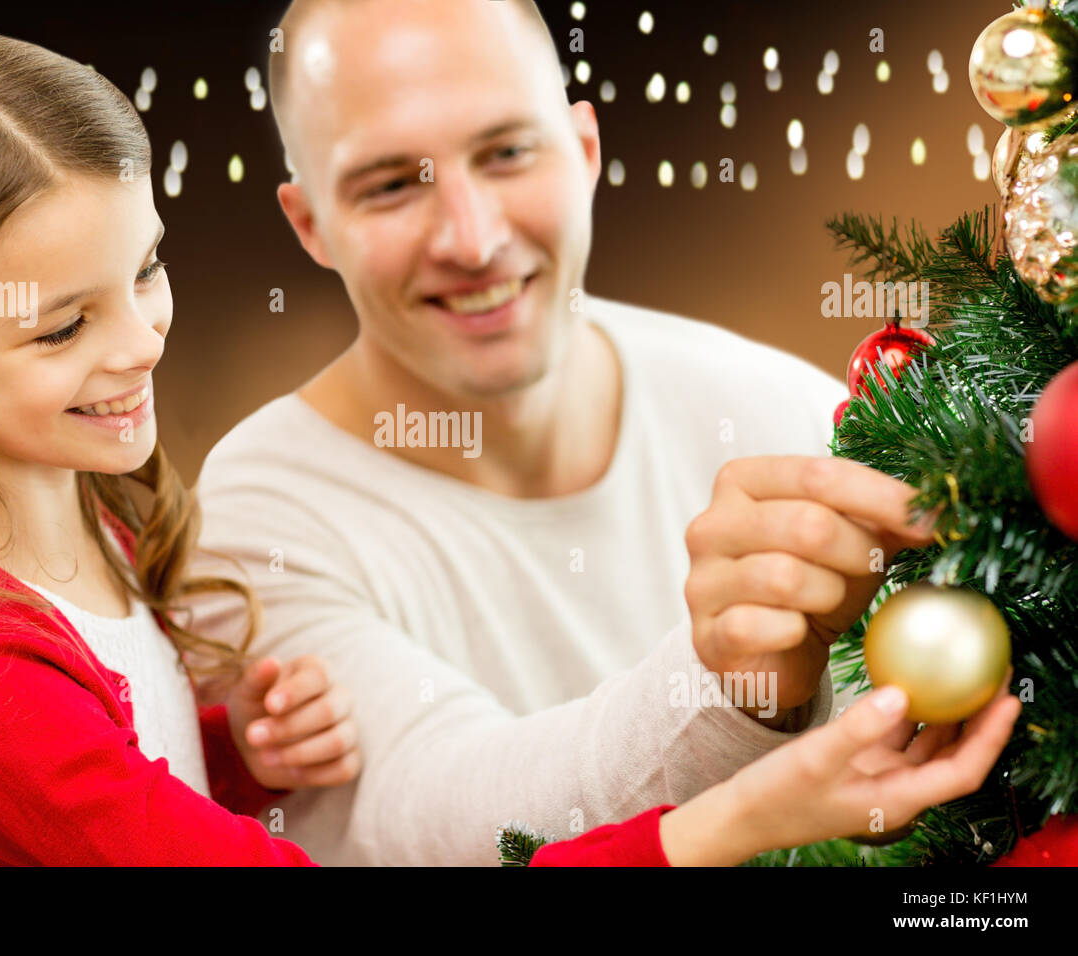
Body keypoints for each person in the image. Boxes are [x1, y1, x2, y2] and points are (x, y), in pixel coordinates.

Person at [185, 0, 1008, 865]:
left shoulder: (776, 410)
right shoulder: (256, 516)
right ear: (309, 222)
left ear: (583, 152)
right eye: (391, 185)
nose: (472, 239)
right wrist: (732, 689)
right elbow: (449, 831)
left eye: (507, 153)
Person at [0, 18, 360, 866]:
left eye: (146, 270)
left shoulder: (85, 511)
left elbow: (102, 802)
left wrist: (233, 754)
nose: (143, 343)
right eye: (61, 330)